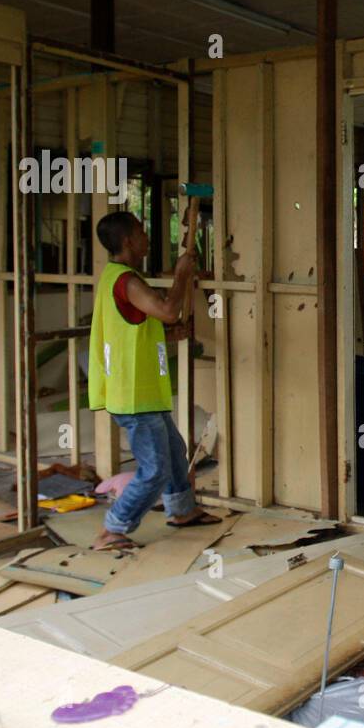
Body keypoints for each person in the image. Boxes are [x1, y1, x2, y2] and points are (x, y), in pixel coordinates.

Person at [87, 211, 220, 551]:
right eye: (142, 233)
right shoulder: (126, 281)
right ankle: (113, 529)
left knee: (174, 451)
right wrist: (181, 276)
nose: (148, 238)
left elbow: (140, 326)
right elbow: (166, 310)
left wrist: (172, 333)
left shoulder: (114, 278)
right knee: (155, 468)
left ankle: (182, 510)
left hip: (140, 388)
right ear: (129, 241)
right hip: (133, 393)